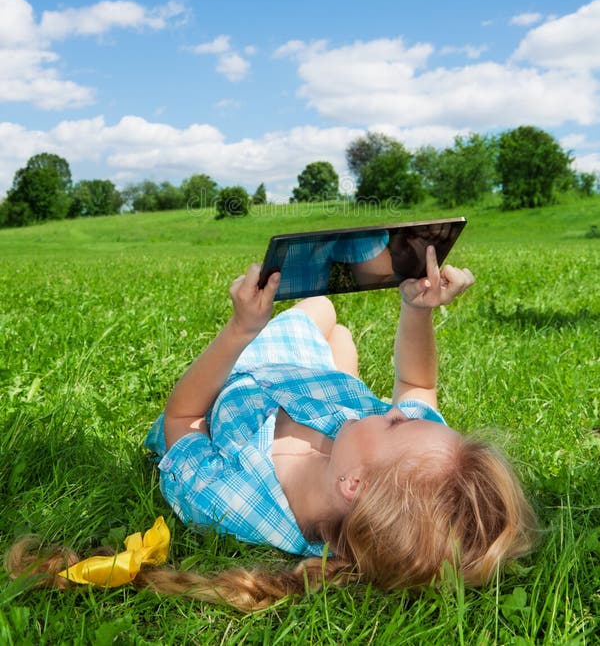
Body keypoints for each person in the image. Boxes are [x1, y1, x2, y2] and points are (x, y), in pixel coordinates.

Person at [7, 247, 537, 612]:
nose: (401, 411)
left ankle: (334, 347)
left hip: (247, 377)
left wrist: (240, 330)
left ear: (353, 482)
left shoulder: (232, 498)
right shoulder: (397, 465)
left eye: (396, 423)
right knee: (339, 340)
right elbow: (417, 385)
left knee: (322, 307)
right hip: (317, 385)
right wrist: (417, 310)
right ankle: (339, 357)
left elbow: (181, 419)